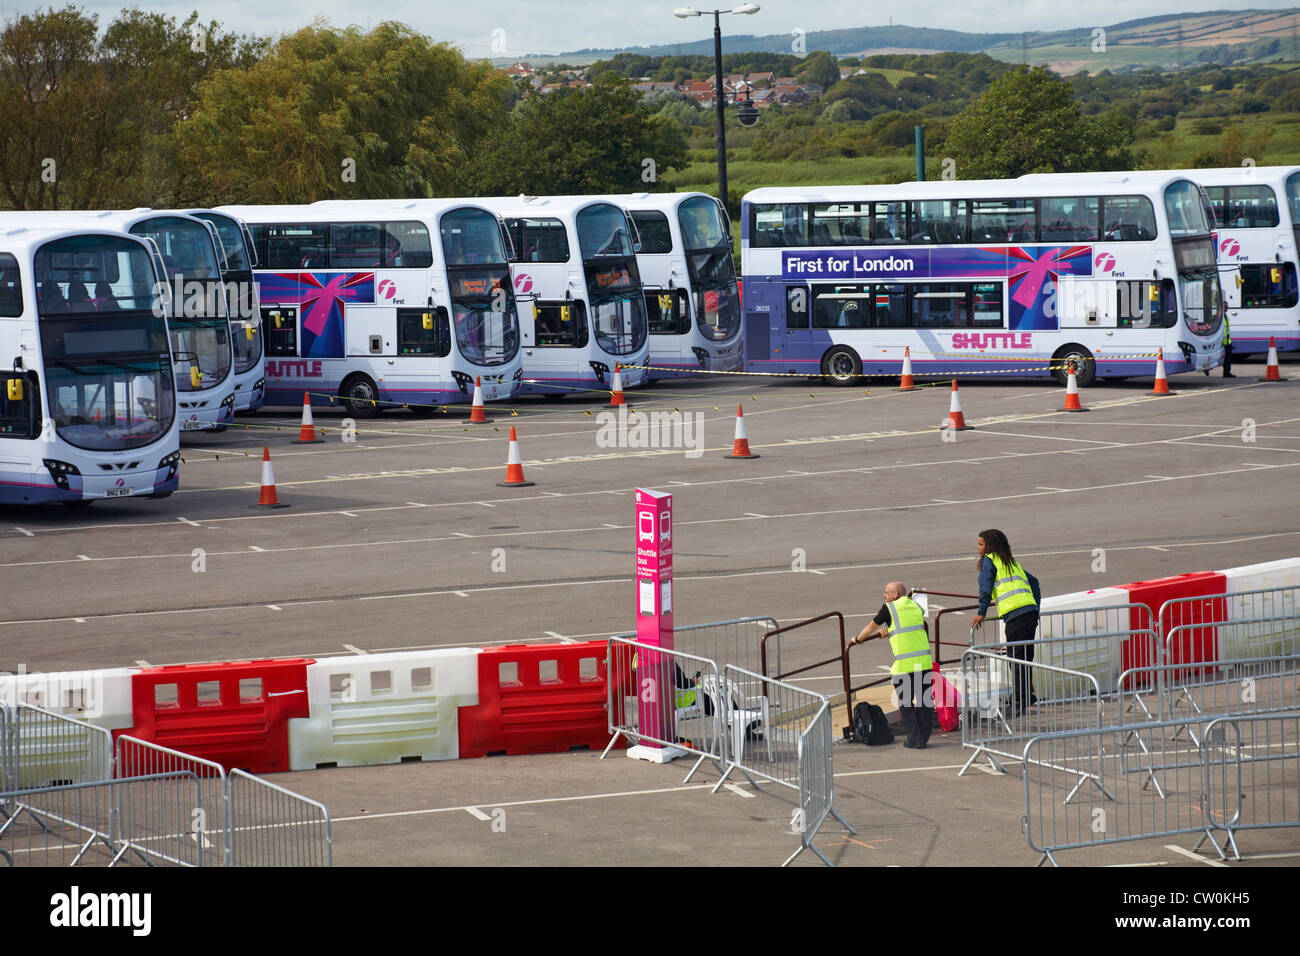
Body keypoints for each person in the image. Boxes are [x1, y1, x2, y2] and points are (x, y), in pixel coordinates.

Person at [851, 581, 933, 748]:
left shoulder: (889, 608)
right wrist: (887, 631)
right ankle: (923, 737)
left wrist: (858, 639)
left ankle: (914, 739)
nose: (884, 595)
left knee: (906, 704)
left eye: (886, 592)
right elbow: (908, 624)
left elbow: (870, 626)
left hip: (904, 666)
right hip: (924, 663)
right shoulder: (916, 605)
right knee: (925, 702)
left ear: (895, 595)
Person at [970, 530, 1042, 715]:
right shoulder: (1011, 562)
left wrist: (981, 612)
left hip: (1016, 615)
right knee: (1025, 658)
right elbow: (1034, 582)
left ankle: (1019, 702)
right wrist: (1035, 606)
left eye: (981, 545)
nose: (978, 549)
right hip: (1029, 612)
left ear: (990, 546)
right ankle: (1027, 695)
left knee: (1016, 660)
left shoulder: (990, 561)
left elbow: (985, 588)